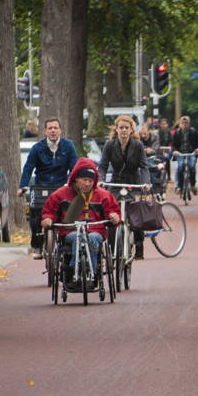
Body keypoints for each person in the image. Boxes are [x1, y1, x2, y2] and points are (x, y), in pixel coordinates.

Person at [41, 158, 120, 288]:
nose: (87, 184)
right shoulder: (61, 194)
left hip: (95, 231)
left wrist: (114, 216)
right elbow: (49, 211)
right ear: (76, 179)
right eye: (84, 180)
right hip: (70, 231)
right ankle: (73, 271)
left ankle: (92, 275)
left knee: (91, 239)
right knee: (78, 238)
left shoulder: (103, 195)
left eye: (90, 181)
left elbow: (114, 212)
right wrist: (48, 219)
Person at [17, 118, 78, 259]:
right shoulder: (37, 148)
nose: (53, 131)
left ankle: (66, 242)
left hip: (61, 187)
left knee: (68, 213)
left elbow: (74, 167)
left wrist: (73, 184)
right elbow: (28, 168)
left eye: (55, 128)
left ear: (60, 130)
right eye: (50, 128)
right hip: (41, 187)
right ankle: (37, 244)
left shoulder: (68, 146)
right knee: (34, 214)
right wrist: (22, 186)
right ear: (45, 131)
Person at [97, 115, 151, 259]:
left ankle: (139, 245)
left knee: (136, 214)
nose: (124, 130)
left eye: (127, 128)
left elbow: (144, 167)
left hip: (133, 183)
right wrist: (101, 181)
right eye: (121, 127)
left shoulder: (138, 145)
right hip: (116, 183)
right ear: (117, 129)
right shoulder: (110, 145)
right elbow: (102, 166)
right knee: (110, 211)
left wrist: (145, 183)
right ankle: (110, 246)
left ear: (131, 129)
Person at [171, 115, 198, 195]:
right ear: (180, 124)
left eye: (186, 123)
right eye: (183, 123)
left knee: (192, 166)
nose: (185, 124)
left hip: (191, 153)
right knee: (180, 168)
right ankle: (180, 188)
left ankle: (192, 185)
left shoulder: (194, 132)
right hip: (180, 154)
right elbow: (173, 145)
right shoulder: (177, 133)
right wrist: (174, 151)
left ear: (189, 124)